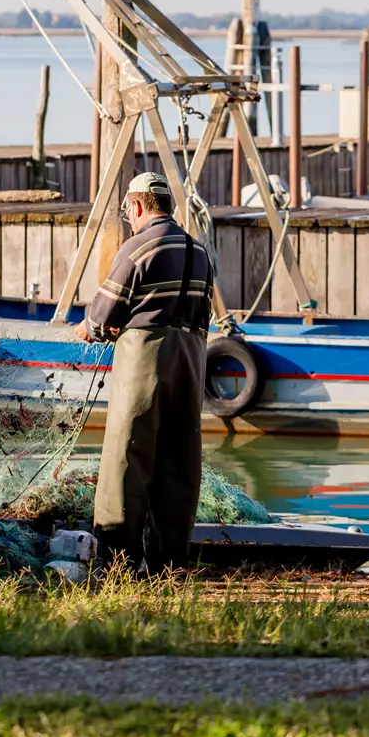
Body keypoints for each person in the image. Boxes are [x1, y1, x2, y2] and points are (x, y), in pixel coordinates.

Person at [75, 171, 215, 571]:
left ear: (137, 206)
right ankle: (168, 562)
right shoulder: (199, 251)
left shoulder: (137, 248)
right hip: (191, 358)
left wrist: (90, 328)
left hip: (144, 359)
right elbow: (203, 314)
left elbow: (103, 317)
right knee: (179, 460)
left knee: (128, 457)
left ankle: (117, 560)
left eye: (128, 213)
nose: (129, 220)